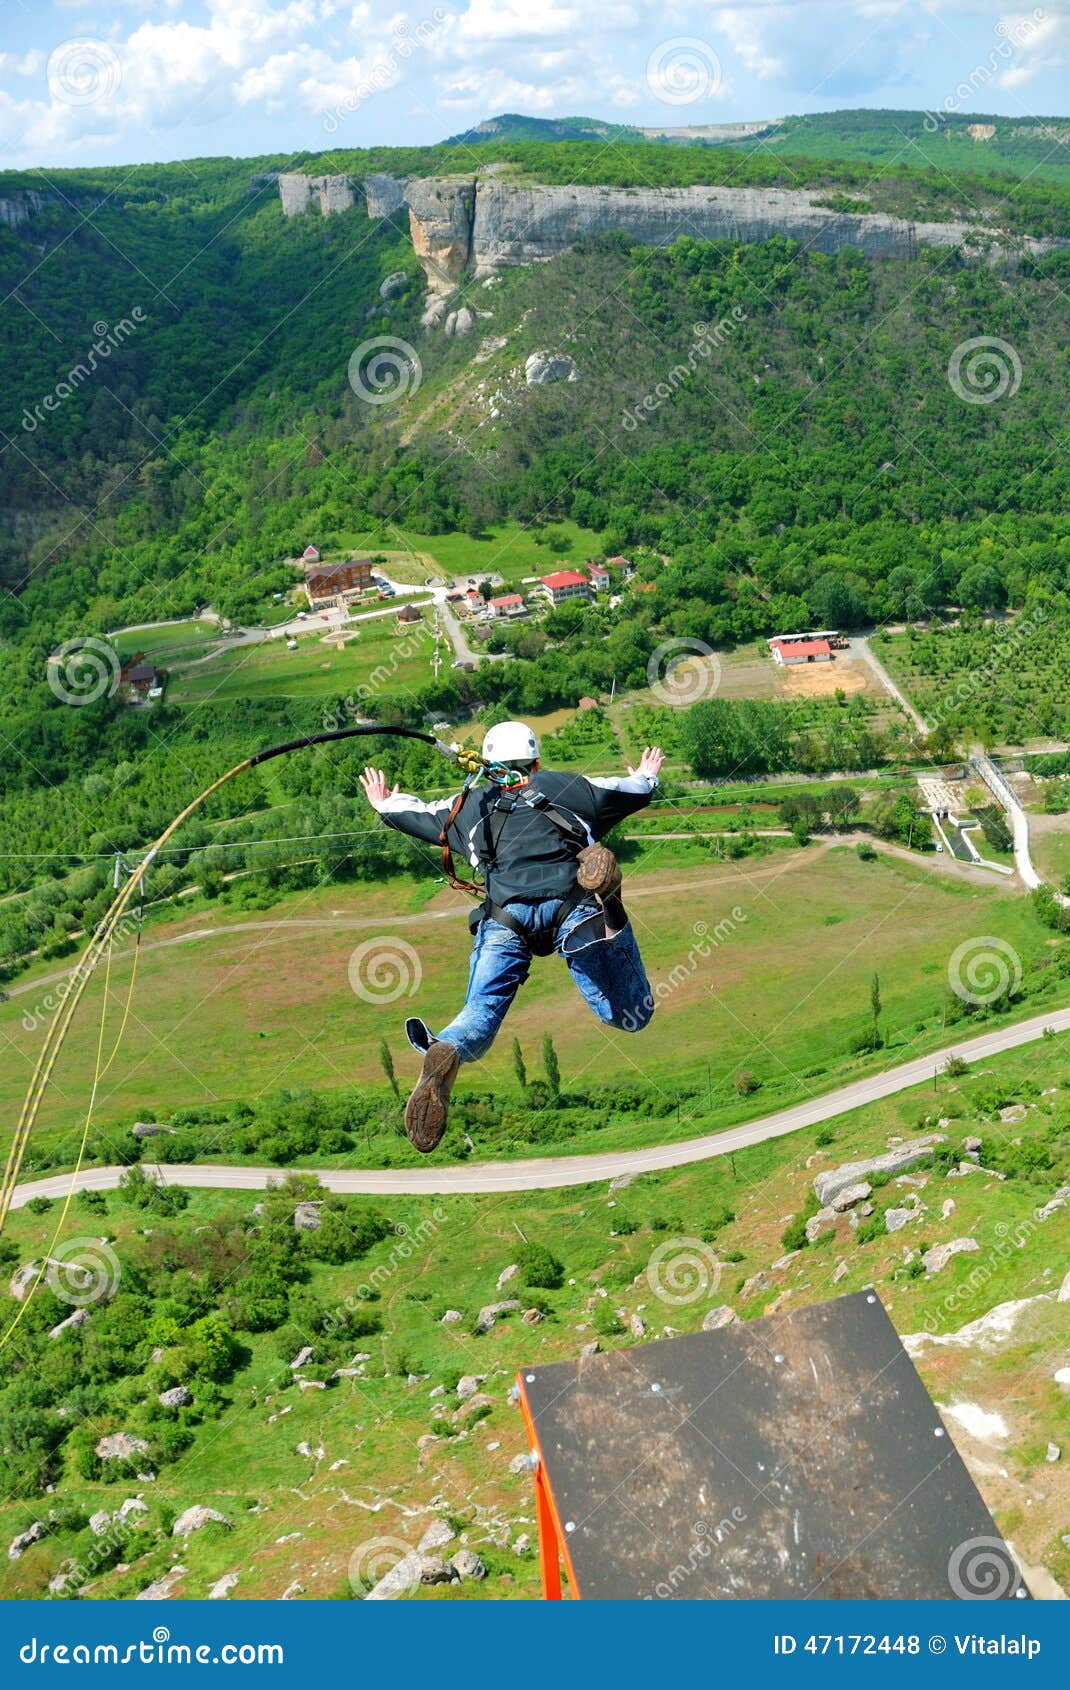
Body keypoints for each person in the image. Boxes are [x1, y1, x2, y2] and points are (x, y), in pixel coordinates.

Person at [359, 721, 663, 1152]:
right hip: (573, 906)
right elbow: (634, 790)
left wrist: (385, 805)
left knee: (479, 1012)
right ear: (537, 763)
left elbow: (419, 815)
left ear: (489, 766)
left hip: (505, 920)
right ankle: (610, 902)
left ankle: (446, 1048)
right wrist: (647, 774)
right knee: (628, 1013)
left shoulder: (469, 805)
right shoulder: (574, 789)